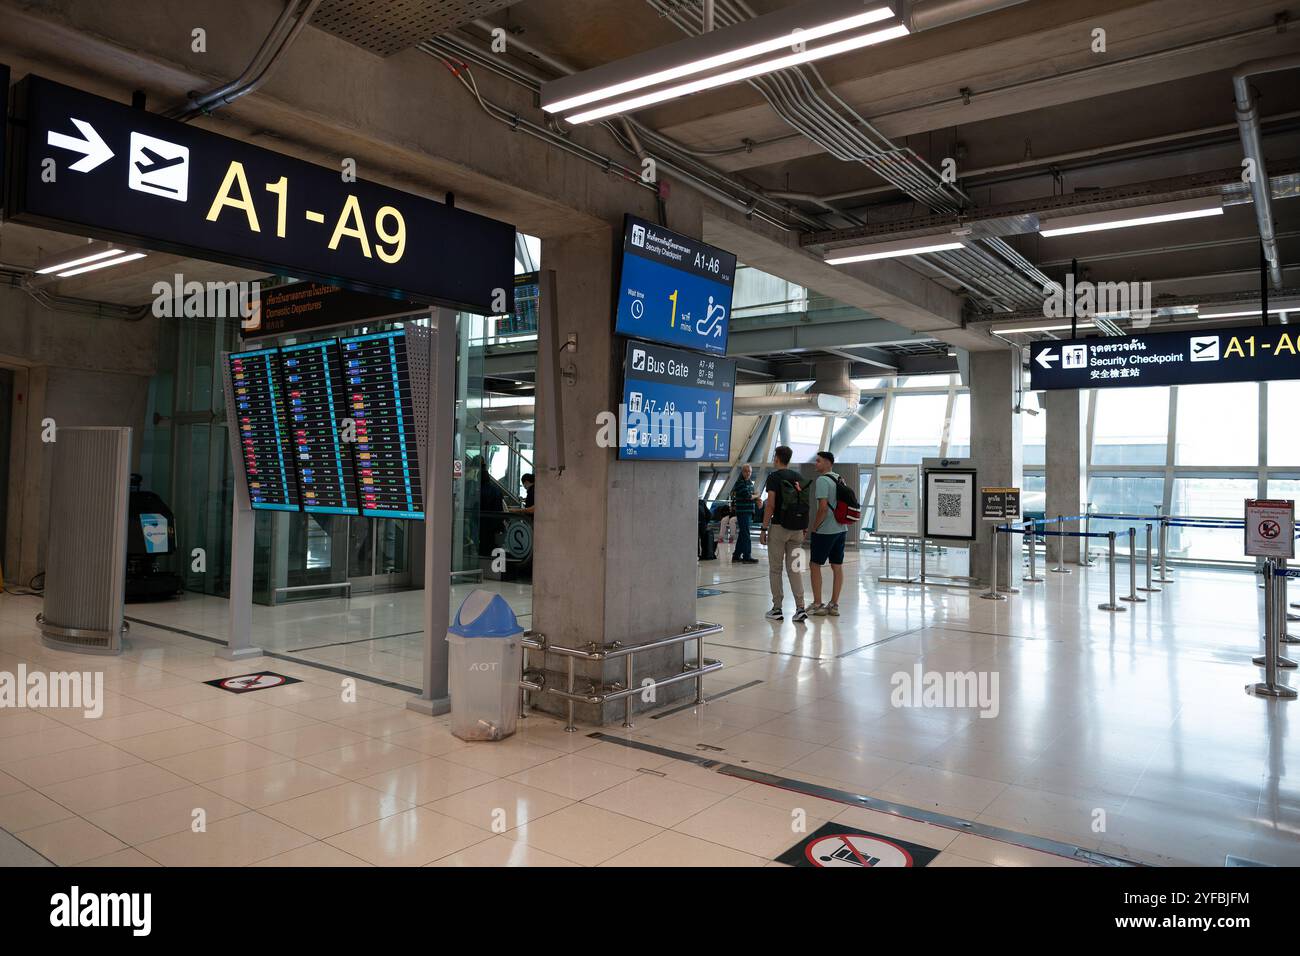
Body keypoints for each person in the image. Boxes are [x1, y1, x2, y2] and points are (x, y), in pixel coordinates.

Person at [759, 445, 807, 622]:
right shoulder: (798, 477)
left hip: (779, 528)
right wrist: (804, 526)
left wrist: (764, 528)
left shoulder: (774, 477)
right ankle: (800, 608)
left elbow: (770, 505)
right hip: (797, 529)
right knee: (795, 568)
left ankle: (777, 608)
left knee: (775, 569)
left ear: (777, 458)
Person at [808, 450, 846, 616]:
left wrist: (814, 527)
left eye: (819, 461)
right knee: (837, 566)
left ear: (828, 463)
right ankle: (834, 604)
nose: (816, 463)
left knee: (814, 565)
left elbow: (823, 508)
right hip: (841, 528)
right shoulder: (839, 478)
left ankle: (817, 603)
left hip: (825, 530)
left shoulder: (822, 480)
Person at [730, 464, 759, 563]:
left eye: (749, 471)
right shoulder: (740, 483)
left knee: (743, 533)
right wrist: (756, 495)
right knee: (746, 534)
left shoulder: (750, 483)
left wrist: (756, 498)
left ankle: (736, 555)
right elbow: (748, 496)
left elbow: (752, 496)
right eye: (746, 471)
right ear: (742, 472)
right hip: (742, 512)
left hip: (749, 511)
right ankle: (747, 556)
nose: (748, 473)